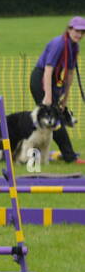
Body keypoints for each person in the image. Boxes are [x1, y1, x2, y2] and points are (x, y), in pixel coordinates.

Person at [30, 16, 85, 164]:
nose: (79, 34)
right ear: (69, 29)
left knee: (53, 117)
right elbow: (48, 70)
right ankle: (69, 156)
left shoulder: (75, 47)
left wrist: (65, 98)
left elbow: (70, 73)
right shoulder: (59, 43)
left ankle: (65, 154)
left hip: (53, 81)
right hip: (41, 78)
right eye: (76, 31)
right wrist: (48, 95)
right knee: (54, 118)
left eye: (82, 32)